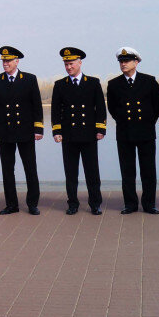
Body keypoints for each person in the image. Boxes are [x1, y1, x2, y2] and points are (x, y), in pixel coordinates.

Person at [0, 47, 43, 216]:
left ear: (17, 61)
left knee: (30, 168)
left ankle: (32, 203)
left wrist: (38, 128)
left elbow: (37, 106)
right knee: (7, 169)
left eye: (9, 61)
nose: (5, 64)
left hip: (25, 131)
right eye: (4, 61)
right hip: (5, 132)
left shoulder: (29, 79)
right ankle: (11, 204)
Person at [106, 48, 159, 215]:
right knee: (127, 171)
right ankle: (130, 204)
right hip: (125, 133)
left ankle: (149, 204)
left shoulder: (149, 81)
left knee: (148, 170)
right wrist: (124, 122)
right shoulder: (114, 84)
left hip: (145, 132)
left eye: (127, 61)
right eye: (121, 61)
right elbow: (113, 109)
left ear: (136, 62)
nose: (123, 64)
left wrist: (147, 122)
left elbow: (157, 106)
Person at [51, 48, 106, 215]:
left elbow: (100, 109)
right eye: (66, 64)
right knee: (71, 173)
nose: (68, 67)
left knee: (92, 172)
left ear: (80, 63)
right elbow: (55, 110)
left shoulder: (93, 83)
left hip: (89, 134)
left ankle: (95, 203)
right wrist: (56, 131)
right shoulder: (60, 85)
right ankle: (73, 203)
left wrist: (100, 129)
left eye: (71, 63)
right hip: (69, 136)